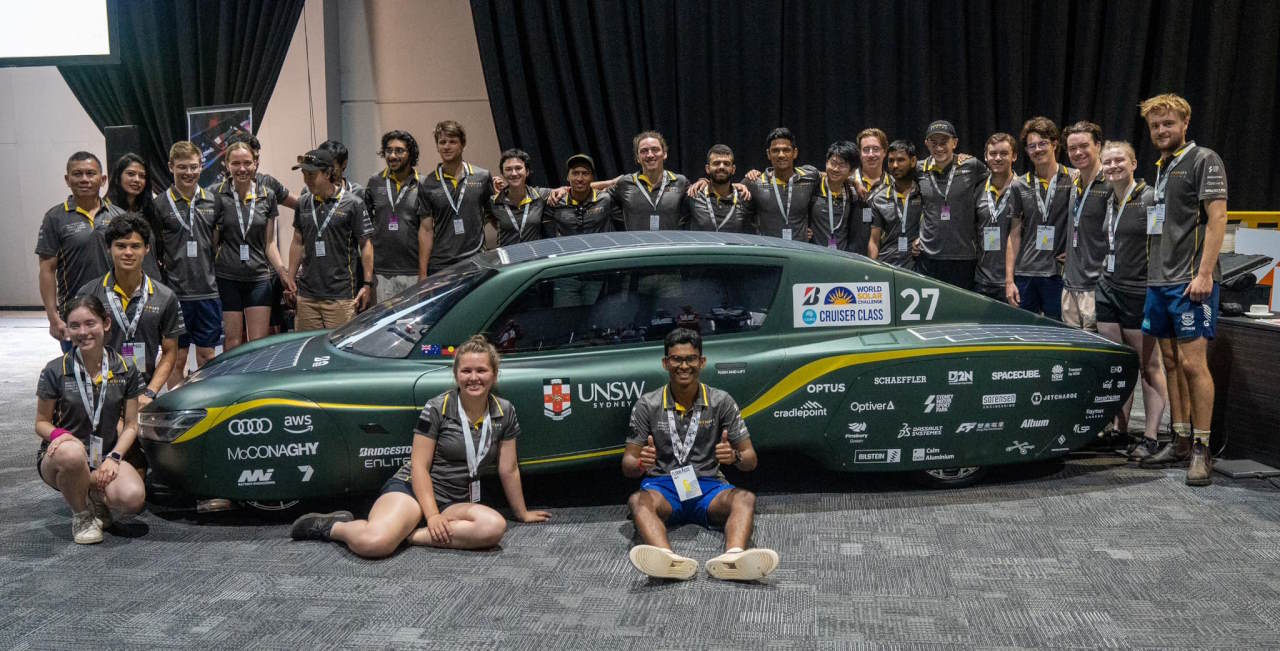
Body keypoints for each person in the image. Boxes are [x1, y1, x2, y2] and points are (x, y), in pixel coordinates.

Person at [290, 335, 551, 557]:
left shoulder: (505, 411)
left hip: (457, 499)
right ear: (456, 374)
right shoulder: (437, 407)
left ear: (494, 375)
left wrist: (522, 512)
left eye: (481, 370)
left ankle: (410, 536)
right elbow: (419, 466)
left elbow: (509, 468)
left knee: (493, 528)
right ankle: (333, 526)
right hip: (413, 489)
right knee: (375, 544)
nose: (474, 378)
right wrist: (433, 515)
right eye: (466, 371)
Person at [622, 328, 778, 581]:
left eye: (690, 359)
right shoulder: (647, 404)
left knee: (745, 498)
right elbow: (627, 464)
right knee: (638, 502)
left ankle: (733, 558)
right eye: (676, 359)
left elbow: (750, 459)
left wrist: (734, 458)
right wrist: (640, 462)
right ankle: (666, 559)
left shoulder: (721, 401)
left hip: (709, 487)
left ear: (701, 362)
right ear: (665, 363)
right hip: (663, 488)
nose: (684, 366)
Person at [1135, 93, 1228, 486]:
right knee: (1170, 362)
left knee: (1193, 364)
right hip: (1159, 281)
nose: (1161, 130)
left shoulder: (1203, 159)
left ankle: (1203, 451)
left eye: (1168, 123)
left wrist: (1205, 273)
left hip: (1190, 281)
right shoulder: (1162, 167)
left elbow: (1219, 216)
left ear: (1185, 123)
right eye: (1156, 125)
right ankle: (1180, 439)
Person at [35, 295, 146, 544]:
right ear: (67, 329)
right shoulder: (55, 370)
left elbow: (131, 424)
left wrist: (115, 457)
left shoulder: (125, 369)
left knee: (132, 498)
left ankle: (92, 495)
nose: (83, 332)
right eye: (75, 326)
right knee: (72, 453)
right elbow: (41, 422)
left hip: (105, 456)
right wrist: (59, 435)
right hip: (61, 456)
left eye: (90, 323)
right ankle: (82, 515)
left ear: (106, 323)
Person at [1093, 141, 1168, 461]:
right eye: (1107, 162)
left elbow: (1165, 244)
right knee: (1117, 363)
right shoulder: (1109, 198)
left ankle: (1150, 436)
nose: (1112, 166)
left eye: (1118, 160)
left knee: (1148, 365)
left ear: (1134, 162)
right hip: (1108, 287)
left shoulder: (1150, 198)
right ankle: (1119, 429)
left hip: (1140, 292)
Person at [76, 215, 184, 408]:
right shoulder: (89, 294)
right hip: (99, 392)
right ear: (108, 249)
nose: (128, 252)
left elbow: (170, 351)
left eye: (135, 246)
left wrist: (150, 392)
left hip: (143, 395)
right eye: (121, 246)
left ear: (147, 249)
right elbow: (81, 346)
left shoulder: (165, 297)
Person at [154, 141, 227, 386]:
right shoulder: (159, 205)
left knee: (207, 355)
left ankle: (204, 405)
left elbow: (215, 243)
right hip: (174, 295)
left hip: (207, 293)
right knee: (176, 358)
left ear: (201, 166)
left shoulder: (213, 201)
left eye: (193, 167)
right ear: (171, 167)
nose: (189, 173)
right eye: (182, 167)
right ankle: (177, 412)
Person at [287, 148, 375, 331]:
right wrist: (290, 278)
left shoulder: (353, 204)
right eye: (304, 174)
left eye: (312, 174)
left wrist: (367, 284)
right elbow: (297, 241)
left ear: (328, 173)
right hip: (307, 296)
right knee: (308, 349)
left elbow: (365, 244)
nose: (306, 180)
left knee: (339, 350)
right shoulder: (303, 203)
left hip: (340, 296)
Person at [213, 142, 288, 350]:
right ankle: (230, 382)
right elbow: (213, 242)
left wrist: (282, 271)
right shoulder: (216, 195)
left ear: (256, 163)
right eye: (235, 163)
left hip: (258, 278)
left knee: (258, 343)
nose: (242, 168)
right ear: (226, 165)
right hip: (227, 276)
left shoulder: (267, 195)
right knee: (233, 341)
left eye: (247, 163)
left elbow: (269, 243)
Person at [37, 152, 115, 351]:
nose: (85, 179)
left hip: (114, 311)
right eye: (77, 174)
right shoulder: (54, 217)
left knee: (117, 373)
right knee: (79, 375)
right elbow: (47, 270)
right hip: (74, 315)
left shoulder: (117, 215)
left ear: (103, 179)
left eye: (91, 173)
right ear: (67, 179)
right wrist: (53, 318)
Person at [1005, 117, 1071, 318]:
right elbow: (1014, 234)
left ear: (1054, 144)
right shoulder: (1019, 185)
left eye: (1042, 144)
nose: (1037, 150)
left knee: (1059, 334)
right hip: (1025, 273)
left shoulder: (1074, 179)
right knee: (1026, 336)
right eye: (1031, 146)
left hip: (1057, 275)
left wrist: (1076, 253)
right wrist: (1009, 281)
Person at [916, 120, 987, 289]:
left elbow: (998, 177)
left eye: (944, 142)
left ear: (954, 143)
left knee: (962, 311)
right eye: (934, 143)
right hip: (929, 255)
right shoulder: (918, 169)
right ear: (926, 144)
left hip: (963, 256)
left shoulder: (971, 165)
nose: (939, 148)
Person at [417, 120, 493, 275]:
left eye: (452, 141)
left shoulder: (482, 176)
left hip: (476, 261)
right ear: (437, 146)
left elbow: (495, 216)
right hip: (441, 265)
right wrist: (423, 273)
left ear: (463, 144)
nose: (446, 146)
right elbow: (426, 229)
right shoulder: (427, 183)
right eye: (442, 142)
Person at [365, 130, 429, 301]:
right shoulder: (374, 182)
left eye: (399, 151)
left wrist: (423, 274)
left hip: (413, 271)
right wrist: (368, 276)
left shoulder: (424, 184)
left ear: (411, 154)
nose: (392, 156)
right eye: (388, 150)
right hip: (381, 273)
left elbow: (428, 230)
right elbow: (366, 228)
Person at [1061, 121, 1110, 331]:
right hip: (1070, 285)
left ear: (1098, 146)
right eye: (1072, 148)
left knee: (1099, 355)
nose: (1078, 152)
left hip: (1096, 287)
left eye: (1084, 146)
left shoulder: (1112, 182)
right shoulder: (1073, 182)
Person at [740, 127, 819, 240]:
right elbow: (739, 218)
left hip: (801, 251)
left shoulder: (810, 177)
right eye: (775, 150)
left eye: (786, 150)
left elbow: (832, 176)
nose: (781, 155)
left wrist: (853, 180)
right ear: (768, 154)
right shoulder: (753, 182)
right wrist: (705, 182)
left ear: (795, 153)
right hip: (769, 252)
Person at [973, 134, 1024, 301]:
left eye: (1004, 153)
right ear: (986, 156)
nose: (998, 158)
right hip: (982, 280)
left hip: (1015, 280)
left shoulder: (1025, 188)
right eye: (993, 153)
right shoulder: (977, 188)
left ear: (1014, 156)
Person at [607, 131, 690, 231]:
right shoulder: (625, 183)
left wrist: (704, 182)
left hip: (669, 245)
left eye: (655, 149)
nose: (650, 155)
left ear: (664, 154)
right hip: (638, 245)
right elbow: (586, 192)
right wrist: (610, 182)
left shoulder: (680, 181)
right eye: (644, 151)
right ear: (637, 158)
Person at [105, 153, 165, 281]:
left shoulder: (151, 211)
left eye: (142, 176)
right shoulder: (105, 211)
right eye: (131, 174)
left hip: (152, 284)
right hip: (117, 285)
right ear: (118, 176)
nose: (137, 180)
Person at [868, 140, 922, 270]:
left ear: (913, 161)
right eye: (891, 161)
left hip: (919, 266)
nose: (895, 165)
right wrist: (872, 269)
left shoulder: (925, 192)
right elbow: (874, 240)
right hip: (888, 265)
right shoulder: (879, 198)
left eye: (901, 160)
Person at [686, 145, 755, 233]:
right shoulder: (694, 195)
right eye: (716, 163)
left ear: (733, 169)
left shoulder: (744, 198)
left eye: (726, 163)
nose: (721, 167)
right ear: (707, 168)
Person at [542, 154, 617, 236]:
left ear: (592, 177)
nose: (580, 179)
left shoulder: (606, 199)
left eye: (585, 173)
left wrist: (612, 182)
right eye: (575, 173)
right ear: (567, 177)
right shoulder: (555, 201)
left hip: (600, 248)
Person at [487, 149, 549, 246]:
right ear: (502, 173)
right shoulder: (493, 201)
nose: (514, 173)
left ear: (527, 171)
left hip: (536, 257)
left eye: (518, 168)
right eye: (508, 169)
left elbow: (568, 192)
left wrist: (563, 189)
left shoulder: (540, 195)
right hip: (508, 259)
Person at [809, 141, 860, 251]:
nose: (836, 169)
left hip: (841, 259)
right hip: (814, 256)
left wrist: (856, 182)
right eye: (833, 163)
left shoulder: (852, 193)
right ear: (826, 162)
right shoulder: (813, 186)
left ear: (851, 171)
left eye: (842, 165)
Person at [853, 128, 891, 199]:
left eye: (876, 149)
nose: (871, 155)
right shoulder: (848, 180)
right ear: (859, 153)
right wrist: (853, 182)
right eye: (866, 150)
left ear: (885, 152)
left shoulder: (894, 184)